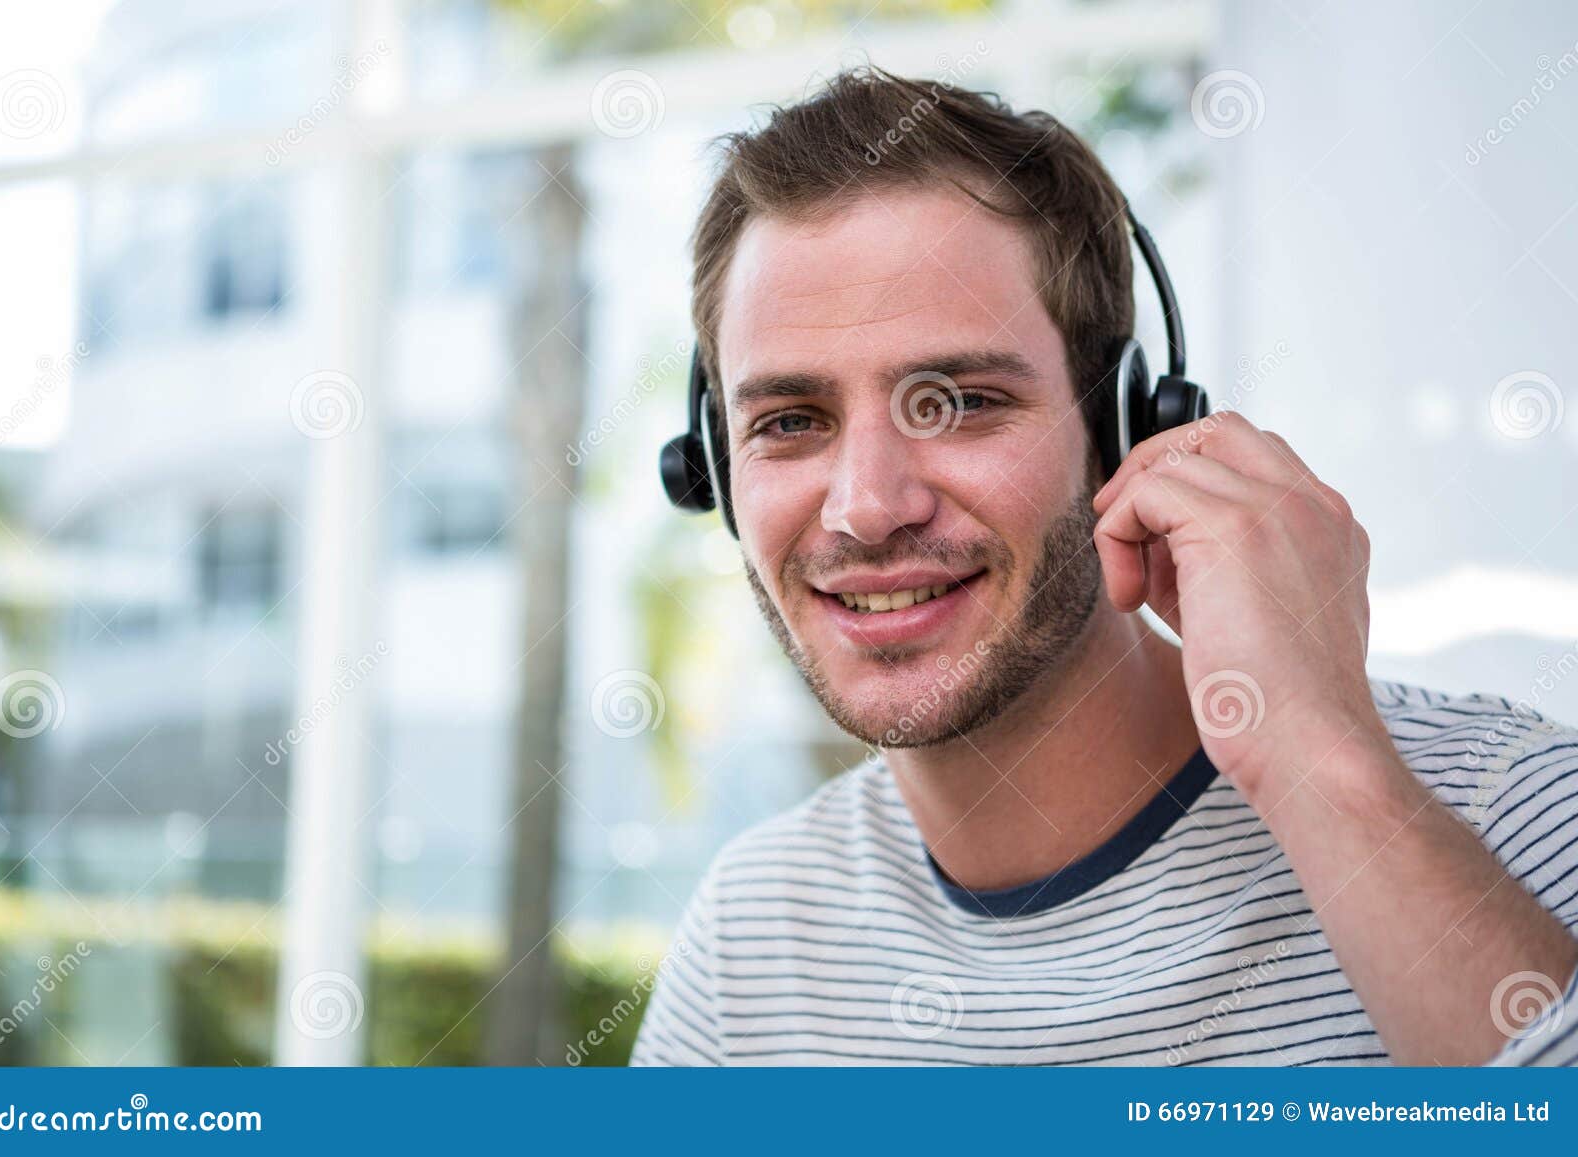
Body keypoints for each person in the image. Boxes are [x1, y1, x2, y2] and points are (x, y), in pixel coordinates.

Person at [629, 67, 1578, 1066]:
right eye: (788, 421)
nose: (865, 507)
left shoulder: (1522, 812)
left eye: (956, 400)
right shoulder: (750, 940)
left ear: (1124, 429)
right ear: (714, 472)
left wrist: (1318, 759)